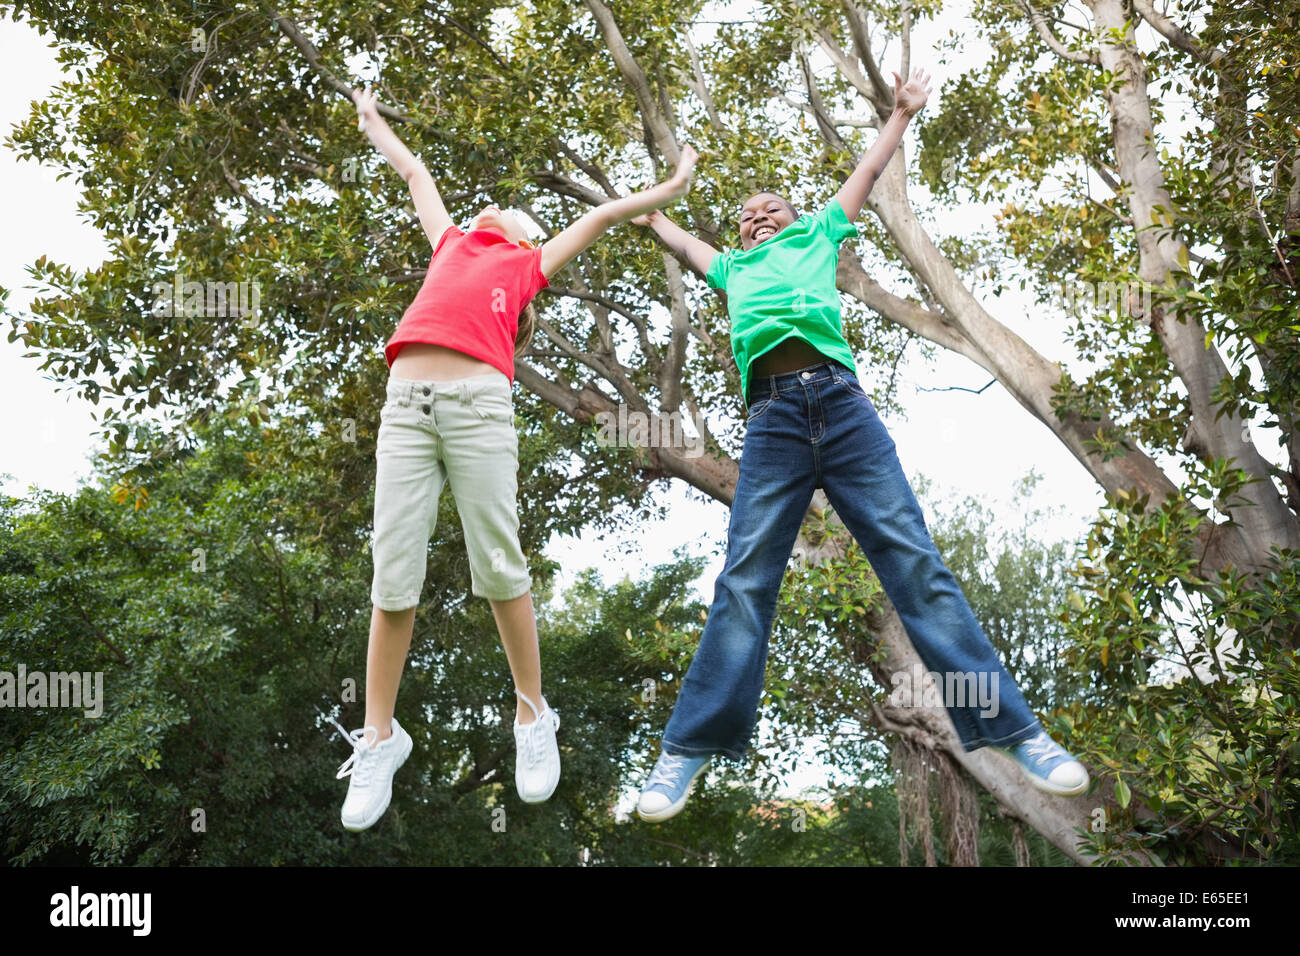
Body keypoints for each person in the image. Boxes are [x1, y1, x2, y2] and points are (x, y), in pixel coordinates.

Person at [631, 67, 1088, 823]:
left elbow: (868, 171)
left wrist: (900, 115)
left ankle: (1019, 732)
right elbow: (673, 235)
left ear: (794, 214)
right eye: (745, 217)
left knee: (915, 563)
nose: (756, 219)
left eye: (767, 207)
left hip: (842, 410)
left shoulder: (818, 233)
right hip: (774, 422)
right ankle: (687, 748)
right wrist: (650, 204)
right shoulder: (733, 270)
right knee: (744, 580)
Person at [335, 86, 699, 831]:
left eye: (500, 213)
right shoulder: (450, 246)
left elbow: (598, 217)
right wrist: (374, 123)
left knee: (499, 563)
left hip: (478, 408)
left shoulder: (524, 265)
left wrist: (671, 188)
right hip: (405, 409)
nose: (485, 210)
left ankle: (532, 714)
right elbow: (416, 176)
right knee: (392, 577)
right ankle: (379, 736)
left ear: (520, 236)